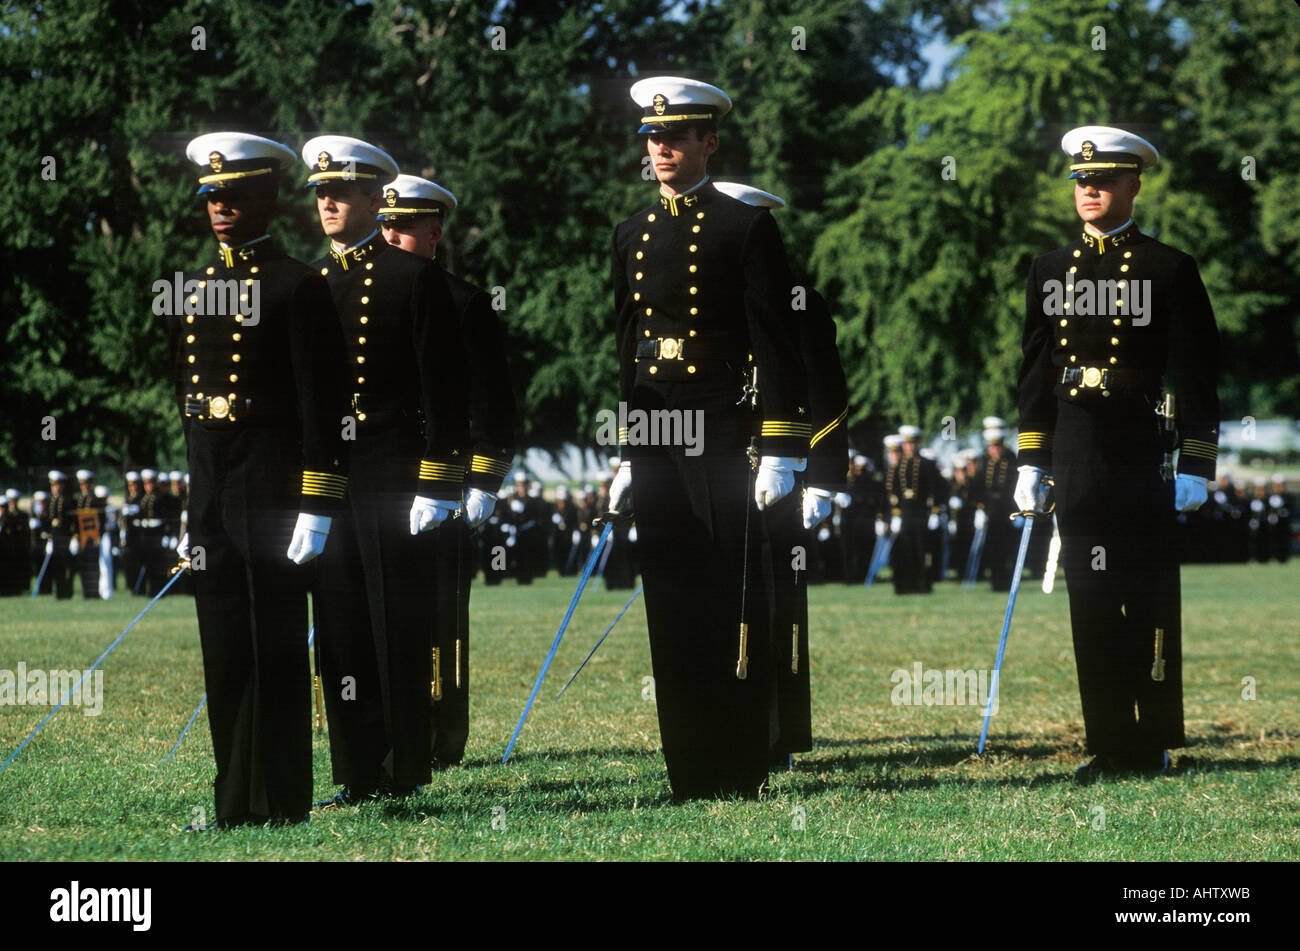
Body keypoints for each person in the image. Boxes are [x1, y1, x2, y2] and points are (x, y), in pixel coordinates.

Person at [608, 77, 808, 800]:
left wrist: (782, 445)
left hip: (724, 426)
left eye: (677, 137)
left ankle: (740, 762)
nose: (662, 148)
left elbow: (777, 341)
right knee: (671, 594)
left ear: (708, 142)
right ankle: (688, 768)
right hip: (658, 430)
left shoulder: (743, 226)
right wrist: (627, 452)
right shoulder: (630, 234)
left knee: (730, 592)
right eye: (654, 138)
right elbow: (627, 348)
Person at [1015, 126, 1219, 781]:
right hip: (1076, 445)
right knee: (1091, 597)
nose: (1090, 191)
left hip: (1139, 442)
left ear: (1135, 184)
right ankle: (1108, 740)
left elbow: (1196, 372)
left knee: (1146, 591)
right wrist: (1030, 458)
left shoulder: (1169, 268)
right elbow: (1035, 370)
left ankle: (1153, 738)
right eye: (1081, 181)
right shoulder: (1049, 269)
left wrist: (1196, 460)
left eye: (1103, 180)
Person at [171, 131, 352, 827]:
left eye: (234, 194)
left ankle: (279, 798)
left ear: (267, 198)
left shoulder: (298, 284)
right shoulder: (196, 289)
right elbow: (188, 405)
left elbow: (323, 405)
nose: (219, 205)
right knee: (223, 648)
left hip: (274, 487)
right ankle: (234, 799)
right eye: (212, 194)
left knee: (274, 645)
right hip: (214, 491)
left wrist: (319, 499)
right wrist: (192, 506)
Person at [302, 136, 469, 801]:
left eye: (341, 190)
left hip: (392, 471)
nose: (328, 202)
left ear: (377, 197)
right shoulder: (309, 283)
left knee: (394, 622)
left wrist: (439, 481)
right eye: (320, 192)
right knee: (339, 628)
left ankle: (404, 765)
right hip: (327, 477)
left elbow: (444, 392)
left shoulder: (413, 279)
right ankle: (355, 768)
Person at [377, 172, 517, 768]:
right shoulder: (364, 298)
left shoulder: (464, 303)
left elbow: (492, 402)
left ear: (433, 233)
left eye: (404, 227)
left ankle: (442, 732)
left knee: (439, 613)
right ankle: (388, 728)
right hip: (378, 478)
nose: (390, 236)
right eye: (385, 225)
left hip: (443, 481)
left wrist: (484, 478)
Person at [884, 427, 936, 594]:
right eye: (906, 443)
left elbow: (935, 489)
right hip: (904, 513)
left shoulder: (926, 464)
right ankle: (905, 585)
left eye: (912, 443)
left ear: (918, 444)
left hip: (921, 513)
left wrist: (934, 511)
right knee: (905, 550)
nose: (909, 447)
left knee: (921, 549)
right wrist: (895, 514)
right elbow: (892, 491)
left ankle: (922, 585)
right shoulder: (898, 465)